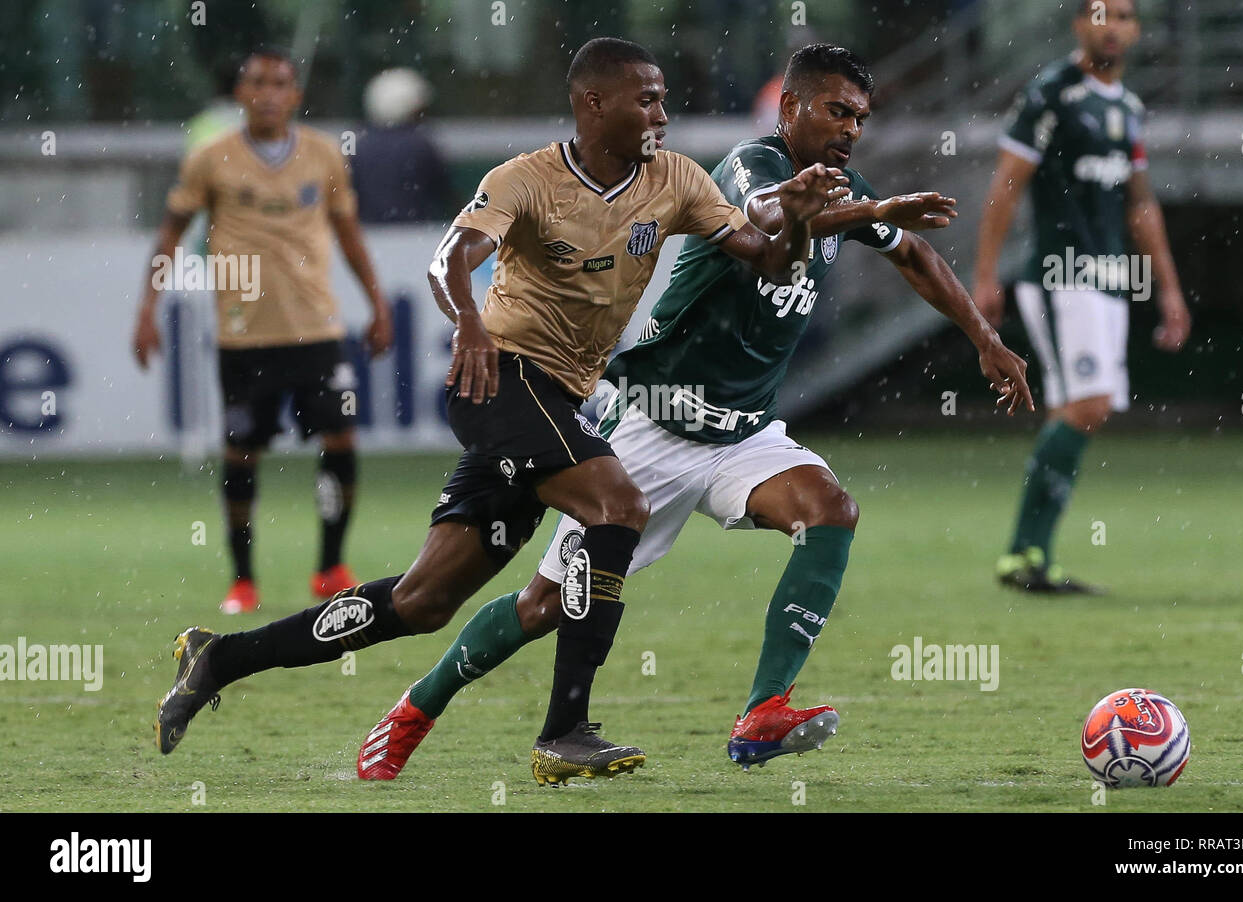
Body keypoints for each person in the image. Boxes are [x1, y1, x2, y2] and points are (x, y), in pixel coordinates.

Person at [152, 38, 848, 786]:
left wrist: (801, 221)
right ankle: (565, 730)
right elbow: (447, 259)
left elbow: (765, 256)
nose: (662, 113)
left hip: (559, 402)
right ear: (594, 104)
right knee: (618, 504)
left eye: (663, 98)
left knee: (421, 601)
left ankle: (222, 656)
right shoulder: (526, 179)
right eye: (645, 99)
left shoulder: (674, 180)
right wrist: (470, 322)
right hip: (501, 380)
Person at [356, 44, 1034, 784]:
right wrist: (864, 211)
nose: (850, 128)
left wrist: (986, 340)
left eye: (861, 117)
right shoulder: (751, 162)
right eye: (836, 110)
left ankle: (764, 712)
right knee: (543, 605)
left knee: (830, 510)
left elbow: (912, 254)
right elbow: (771, 219)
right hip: (653, 423)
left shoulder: (846, 188)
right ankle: (415, 708)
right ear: (792, 110)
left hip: (740, 431)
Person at [132, 47, 393, 615]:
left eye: (280, 84)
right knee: (241, 452)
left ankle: (330, 566)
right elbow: (170, 235)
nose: (269, 93)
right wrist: (146, 309)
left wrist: (377, 302)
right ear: (241, 93)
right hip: (244, 335)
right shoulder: (211, 158)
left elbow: (349, 236)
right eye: (257, 83)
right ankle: (243, 577)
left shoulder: (324, 155)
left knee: (341, 437)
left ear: (295, 96)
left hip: (317, 328)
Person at [972, 0, 1190, 593]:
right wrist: (986, 275)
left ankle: (1033, 560)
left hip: (1110, 280)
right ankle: (1022, 553)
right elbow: (1006, 183)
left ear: (1136, 29)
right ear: (1079, 25)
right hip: (1059, 275)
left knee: (1082, 412)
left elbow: (1140, 203)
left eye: (1123, 16)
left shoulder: (1128, 106)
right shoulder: (1053, 91)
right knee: (1089, 405)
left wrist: (1168, 288)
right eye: (1100, 14)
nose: (1111, 25)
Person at [351, 68, 452, 223]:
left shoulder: (358, 143)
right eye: (420, 111)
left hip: (369, 236)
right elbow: (445, 195)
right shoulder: (420, 145)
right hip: (416, 236)